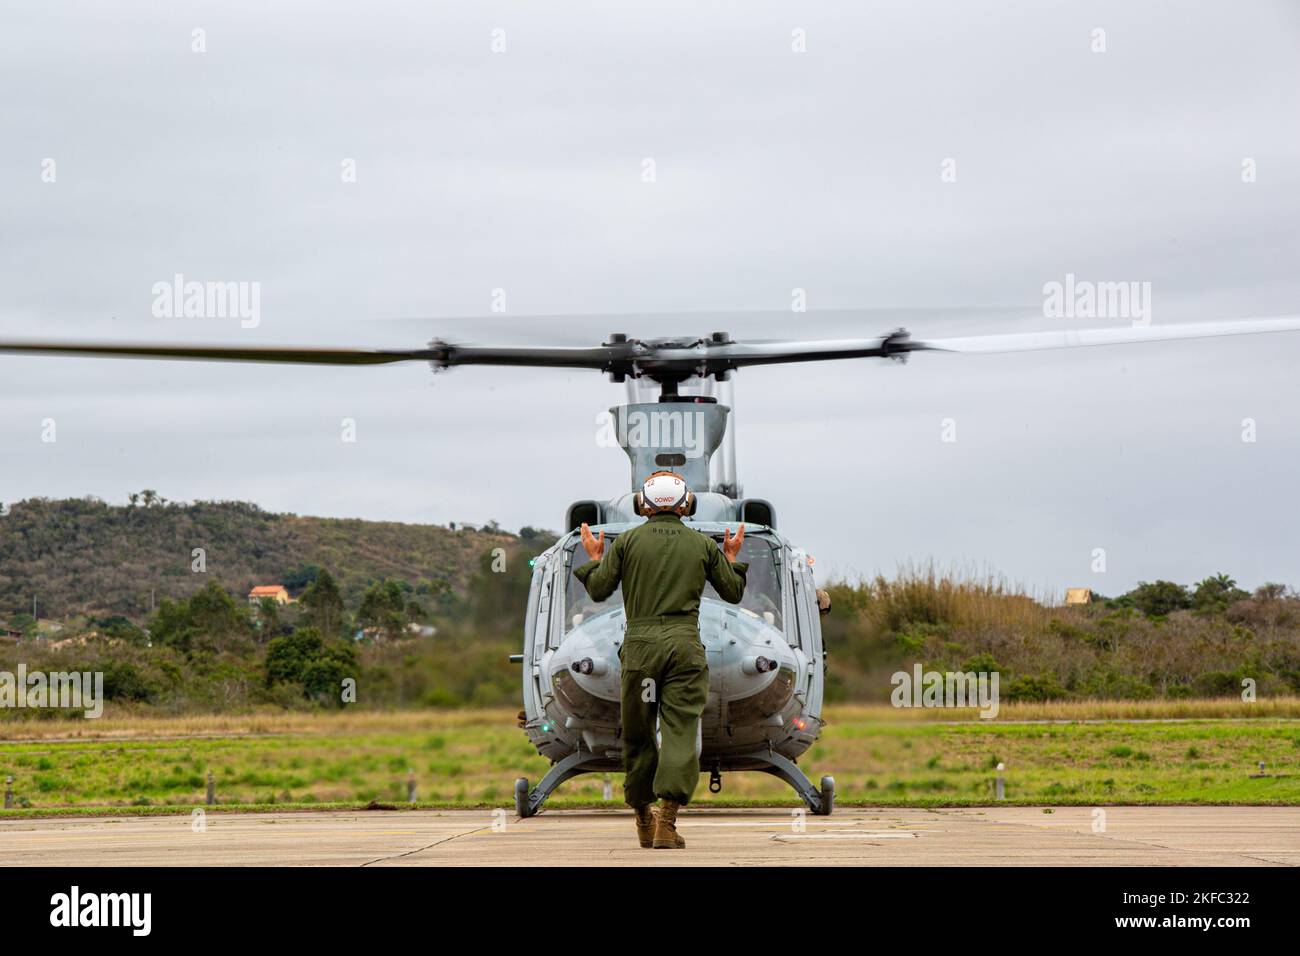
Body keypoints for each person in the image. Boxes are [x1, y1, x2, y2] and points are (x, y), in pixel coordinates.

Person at [574, 470, 747, 849]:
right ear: (687, 504)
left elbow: (600, 590)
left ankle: (642, 818)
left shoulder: (627, 542)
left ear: (643, 505)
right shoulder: (702, 545)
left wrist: (594, 559)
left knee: (638, 734)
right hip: (685, 647)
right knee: (680, 733)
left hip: (639, 648)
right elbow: (733, 593)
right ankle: (666, 823)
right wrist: (731, 558)